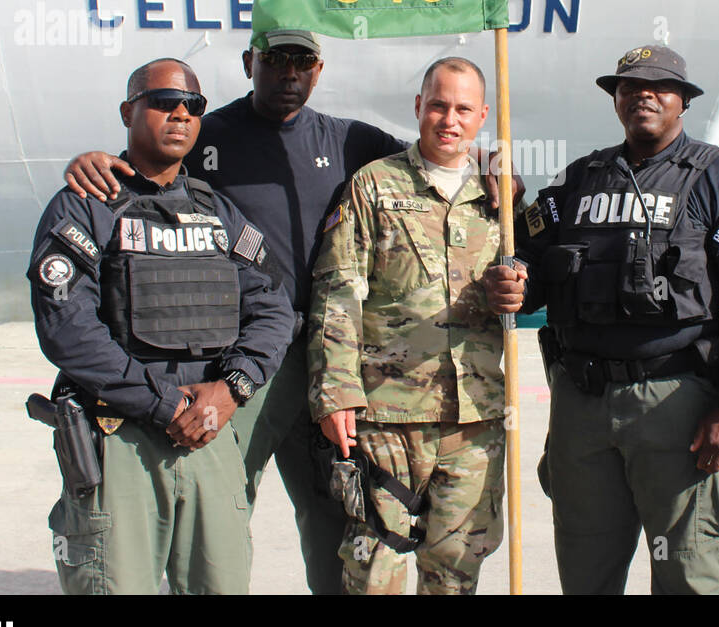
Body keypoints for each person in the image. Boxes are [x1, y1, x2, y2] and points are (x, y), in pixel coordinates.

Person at [63, 30, 518, 595]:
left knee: (337, 510)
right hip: (244, 361)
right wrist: (96, 159)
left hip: (331, 359)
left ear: (319, 70)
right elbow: (152, 165)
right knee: (225, 503)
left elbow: (437, 153)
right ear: (250, 63)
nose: (289, 72)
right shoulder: (210, 132)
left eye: (302, 61)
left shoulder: (351, 140)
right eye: (275, 60)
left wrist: (495, 166)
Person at [484, 44, 719, 595]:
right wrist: (514, 278)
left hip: (679, 406)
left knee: (685, 575)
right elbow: (528, 252)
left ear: (683, 102)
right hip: (581, 407)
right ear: (616, 100)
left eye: (659, 87)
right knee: (585, 571)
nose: (643, 95)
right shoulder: (581, 180)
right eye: (630, 87)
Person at [28, 58, 295, 594]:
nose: (179, 113)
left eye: (193, 105)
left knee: (220, 584)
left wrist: (231, 389)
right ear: (129, 112)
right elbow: (68, 328)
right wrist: (163, 403)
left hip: (209, 436)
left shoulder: (217, 212)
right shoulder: (86, 206)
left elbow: (273, 306)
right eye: (162, 101)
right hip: (119, 436)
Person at [308, 57, 506, 595]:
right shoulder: (374, 186)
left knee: (457, 569)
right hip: (388, 416)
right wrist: (336, 392)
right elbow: (338, 291)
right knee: (377, 569)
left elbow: (526, 276)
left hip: (474, 418)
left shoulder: (500, 196)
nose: (449, 119)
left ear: (482, 115)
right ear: (419, 107)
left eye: (463, 108)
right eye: (438, 104)